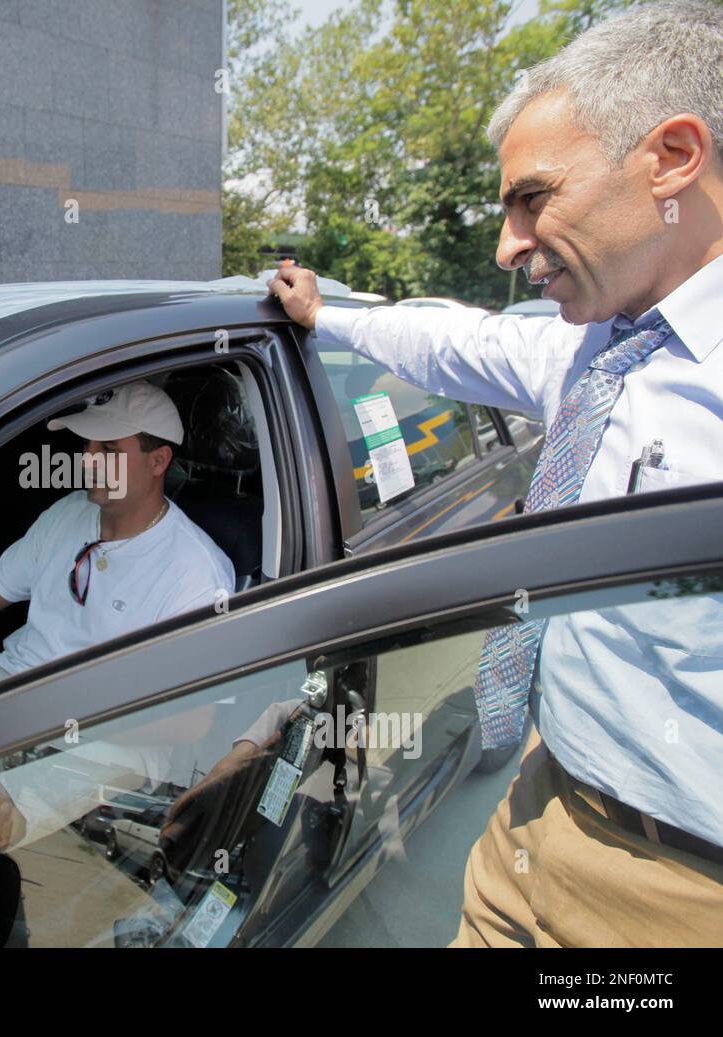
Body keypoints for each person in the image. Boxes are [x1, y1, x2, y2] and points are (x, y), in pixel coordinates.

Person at [267, 0, 723, 946]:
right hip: (536, 811)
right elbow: (455, 340)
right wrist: (328, 314)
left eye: (533, 198)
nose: (509, 248)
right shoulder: (599, 348)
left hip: (680, 891)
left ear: (673, 157)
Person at [0, 380, 235, 943]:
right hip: (19, 680)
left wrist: (62, 707)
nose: (86, 462)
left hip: (119, 735)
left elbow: (190, 721)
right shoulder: (68, 515)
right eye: (86, 449)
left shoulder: (195, 574)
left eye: (106, 452)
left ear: (157, 461)